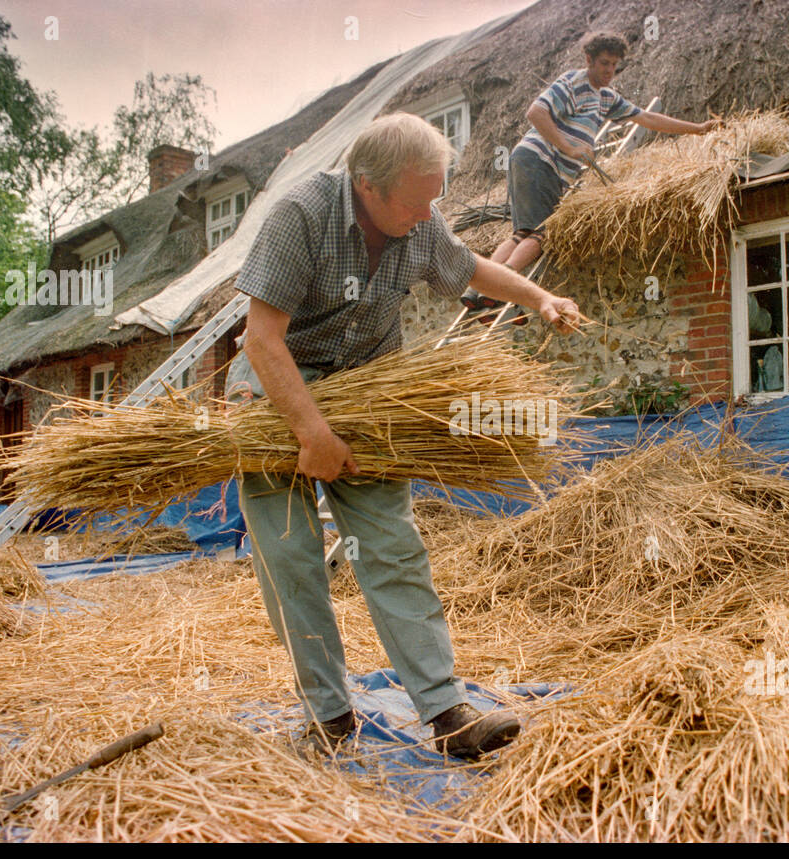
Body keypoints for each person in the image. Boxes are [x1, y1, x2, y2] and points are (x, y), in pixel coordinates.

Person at [228, 113, 581, 760]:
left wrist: (540, 299)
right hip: (277, 387)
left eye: (435, 199)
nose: (430, 214)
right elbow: (262, 338)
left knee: (391, 544)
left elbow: (469, 265)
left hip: (367, 383)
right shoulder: (299, 216)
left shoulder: (418, 223)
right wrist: (311, 430)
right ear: (367, 185)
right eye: (420, 200)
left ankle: (447, 714)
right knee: (292, 557)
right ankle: (328, 717)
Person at [460, 31, 720, 323]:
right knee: (546, 234)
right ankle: (501, 291)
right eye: (604, 64)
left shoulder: (605, 98)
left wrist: (697, 128)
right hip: (539, 161)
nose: (609, 71)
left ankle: (477, 289)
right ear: (589, 60)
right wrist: (569, 146)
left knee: (522, 234)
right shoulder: (574, 82)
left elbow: (647, 118)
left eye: (614, 65)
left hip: (534, 164)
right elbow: (536, 112)